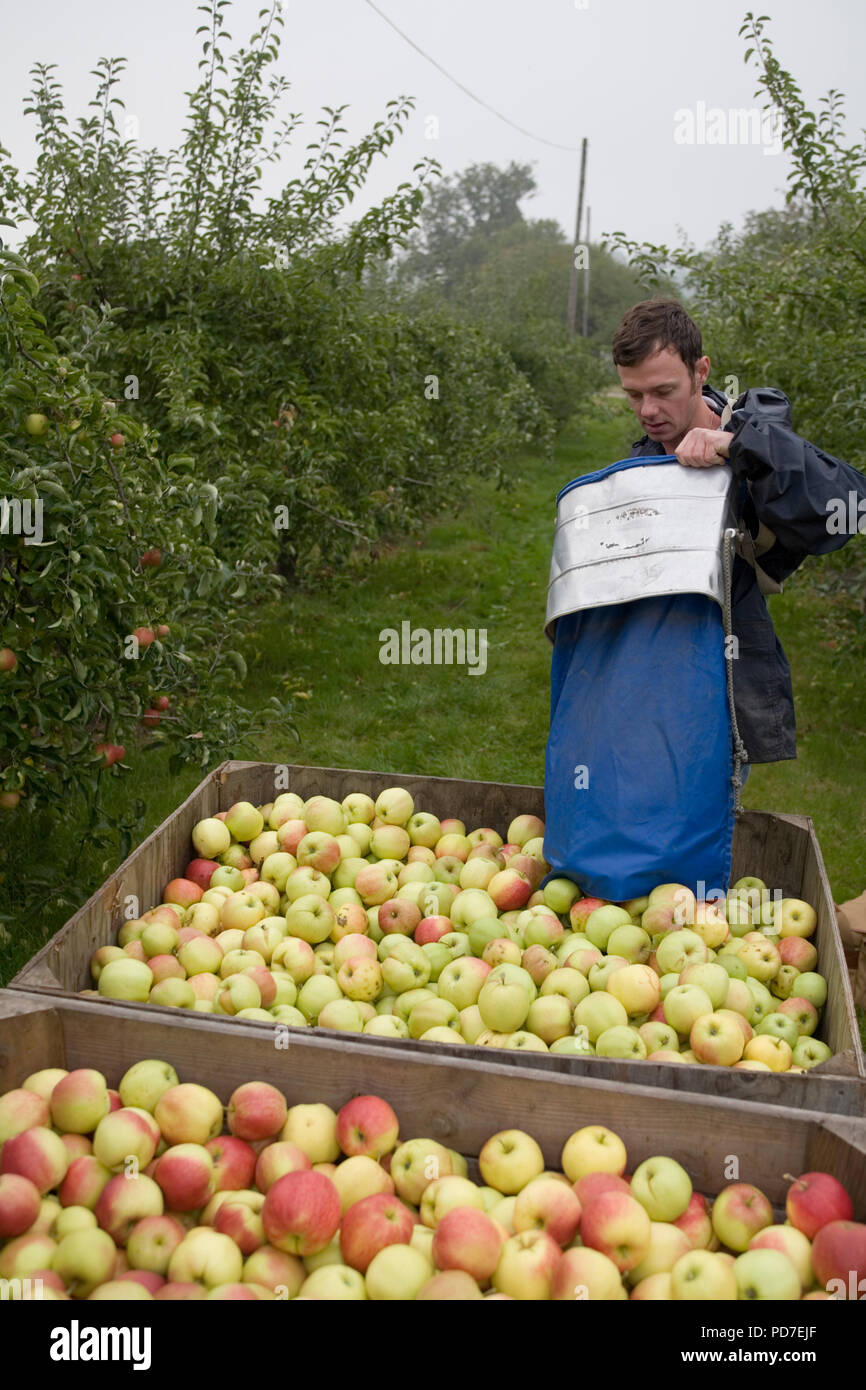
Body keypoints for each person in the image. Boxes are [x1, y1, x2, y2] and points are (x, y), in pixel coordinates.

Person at [611, 297, 866, 767]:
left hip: (724, 680)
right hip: (650, 681)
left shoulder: (753, 432)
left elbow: (851, 505)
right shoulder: (641, 464)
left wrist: (738, 447)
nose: (647, 410)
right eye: (634, 394)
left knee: (704, 827)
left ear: (701, 371)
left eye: (663, 391)